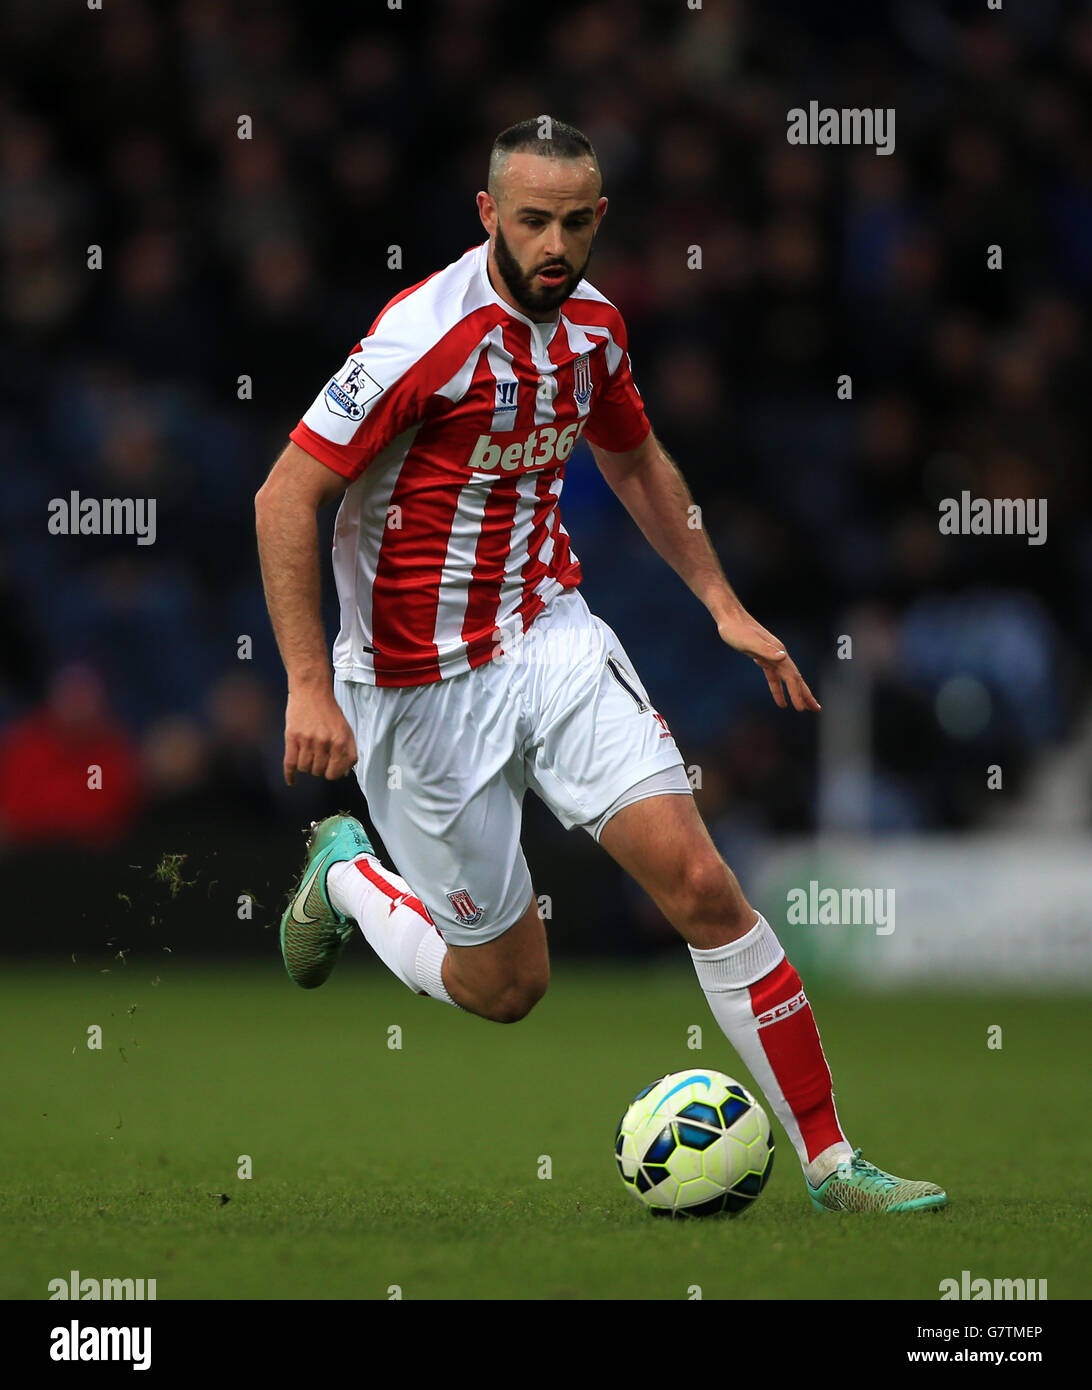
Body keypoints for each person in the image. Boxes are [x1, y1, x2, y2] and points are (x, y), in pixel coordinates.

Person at [255, 117, 945, 1214]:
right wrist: (304, 682)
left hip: (551, 637)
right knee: (505, 986)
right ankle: (345, 873)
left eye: (575, 223)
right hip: (413, 688)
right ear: (489, 214)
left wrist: (721, 602)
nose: (555, 244)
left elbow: (632, 458)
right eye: (533, 221)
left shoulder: (596, 330)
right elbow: (285, 496)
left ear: (600, 218)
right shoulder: (418, 340)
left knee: (704, 886)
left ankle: (833, 1164)